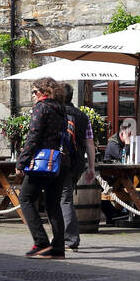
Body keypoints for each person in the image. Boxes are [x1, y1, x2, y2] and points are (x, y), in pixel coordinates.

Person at [17, 78, 70, 258]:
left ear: (43, 92)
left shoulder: (41, 107)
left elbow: (33, 136)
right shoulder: (60, 109)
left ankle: (41, 243)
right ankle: (58, 248)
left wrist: (22, 162)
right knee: (53, 204)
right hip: (59, 161)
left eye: (34, 92)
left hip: (42, 162)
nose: (33, 95)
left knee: (25, 198)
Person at [52, 82, 99, 251]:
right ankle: (61, 236)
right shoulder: (82, 116)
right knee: (63, 197)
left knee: (63, 199)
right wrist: (91, 167)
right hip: (77, 162)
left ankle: (71, 239)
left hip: (59, 160)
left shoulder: (55, 112)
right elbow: (90, 143)